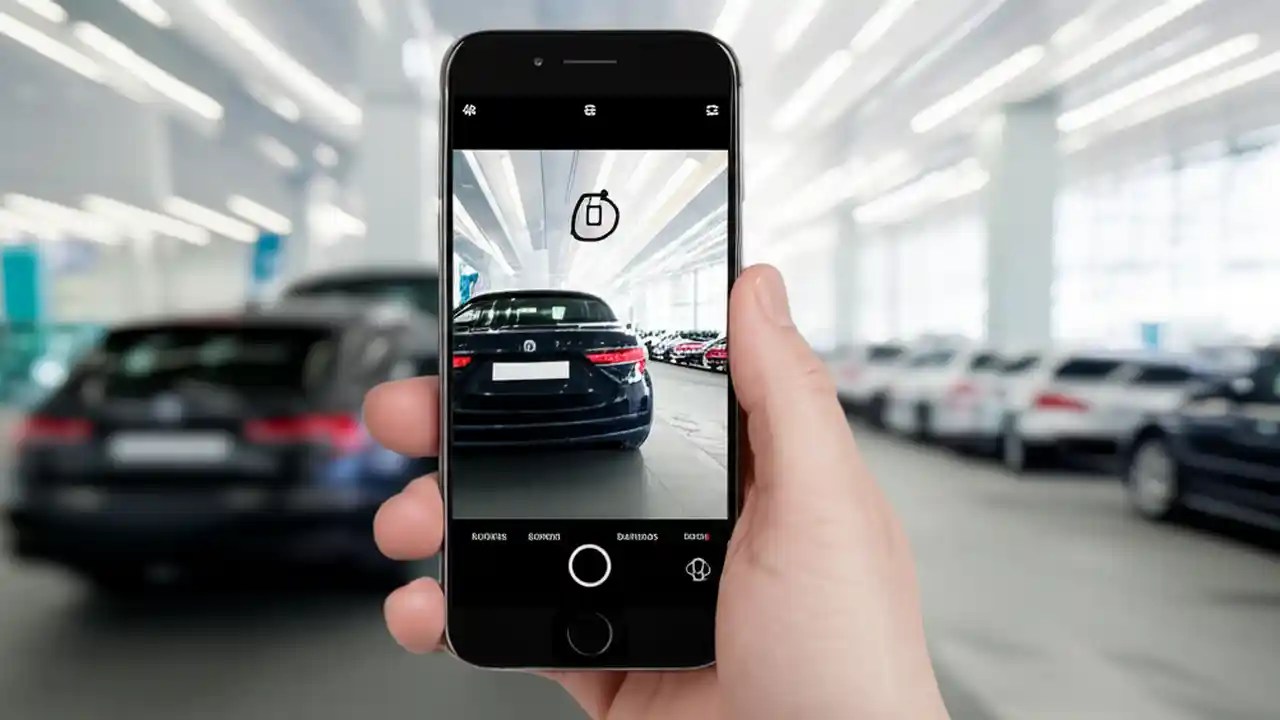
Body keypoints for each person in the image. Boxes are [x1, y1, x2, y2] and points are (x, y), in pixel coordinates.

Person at [363, 265, 951, 720]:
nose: (534, 350)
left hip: (474, 408)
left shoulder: (470, 331)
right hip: (603, 410)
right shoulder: (605, 332)